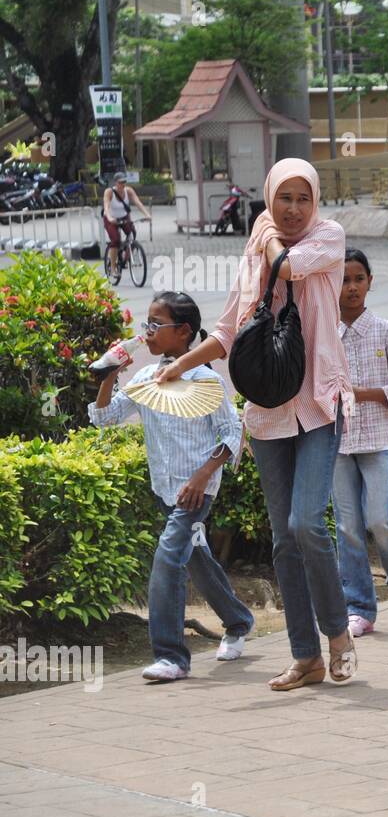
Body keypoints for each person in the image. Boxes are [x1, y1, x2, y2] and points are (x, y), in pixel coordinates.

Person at [157, 158, 357, 692]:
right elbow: (227, 330)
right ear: (268, 196)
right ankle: (305, 656)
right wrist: (176, 367)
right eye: (282, 199)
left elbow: (290, 267)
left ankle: (338, 634)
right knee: (283, 541)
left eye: (302, 199)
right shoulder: (254, 253)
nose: (292, 209)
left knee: (306, 525)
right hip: (268, 413)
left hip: (318, 402)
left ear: (315, 202)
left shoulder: (329, 238)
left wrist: (266, 235)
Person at [90, 292, 253, 682]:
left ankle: (171, 656)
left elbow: (233, 433)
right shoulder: (146, 379)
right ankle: (238, 620)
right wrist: (111, 373)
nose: (146, 332)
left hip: (195, 493)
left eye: (155, 325)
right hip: (165, 490)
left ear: (183, 332)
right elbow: (104, 418)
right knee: (196, 559)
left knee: (168, 559)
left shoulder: (205, 379)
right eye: (146, 324)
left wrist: (203, 475)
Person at [334, 248, 388, 637]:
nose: (351, 288)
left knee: (379, 519)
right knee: (348, 527)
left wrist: (361, 393)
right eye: (343, 280)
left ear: (370, 281)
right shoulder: (321, 335)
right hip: (335, 443)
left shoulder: (386, 331)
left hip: (380, 438)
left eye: (359, 279)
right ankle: (359, 608)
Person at [101, 172, 151, 274]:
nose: (123, 184)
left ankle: (126, 257)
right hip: (111, 218)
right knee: (115, 240)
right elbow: (106, 206)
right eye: (120, 182)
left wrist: (147, 214)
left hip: (124, 217)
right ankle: (113, 267)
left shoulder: (128, 191)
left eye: (124, 182)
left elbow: (138, 202)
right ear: (116, 183)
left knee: (132, 234)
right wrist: (110, 218)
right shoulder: (109, 192)